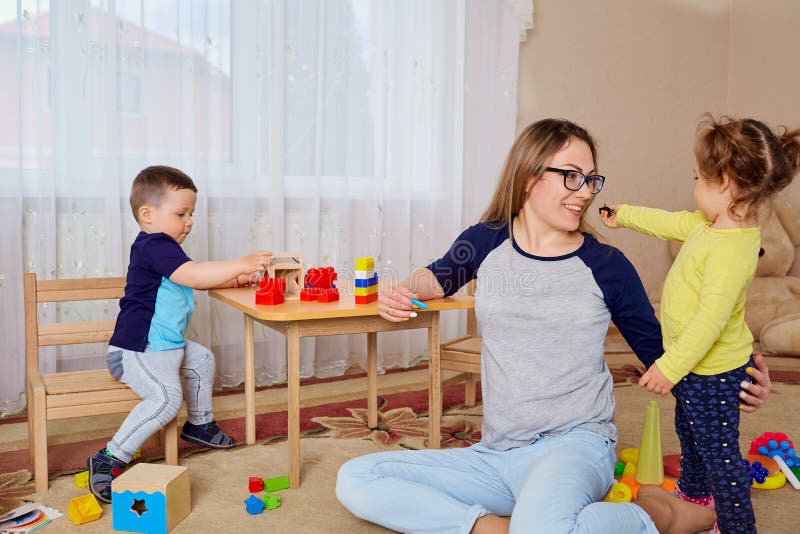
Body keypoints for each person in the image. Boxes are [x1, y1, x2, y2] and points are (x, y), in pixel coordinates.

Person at [335, 118, 773, 534]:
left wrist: (735, 381)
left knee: (542, 526)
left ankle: (656, 514)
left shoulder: (607, 266)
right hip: (496, 455)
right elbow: (435, 278)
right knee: (359, 476)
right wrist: (398, 289)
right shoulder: (486, 240)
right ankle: (497, 527)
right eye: (571, 176)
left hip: (574, 447)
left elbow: (662, 355)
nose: (584, 192)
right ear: (529, 177)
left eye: (591, 179)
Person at [600, 115, 800, 533]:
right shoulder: (709, 226)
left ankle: (735, 526)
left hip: (712, 372)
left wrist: (668, 367)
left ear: (725, 181)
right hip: (696, 371)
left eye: (698, 178)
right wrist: (624, 215)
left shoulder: (731, 250)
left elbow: (709, 322)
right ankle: (694, 500)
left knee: (722, 458)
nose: (694, 188)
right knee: (690, 436)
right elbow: (668, 222)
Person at [87, 165, 273, 503]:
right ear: (147, 214)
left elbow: (194, 278)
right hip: (137, 350)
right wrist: (242, 263)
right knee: (166, 399)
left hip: (165, 346)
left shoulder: (166, 249)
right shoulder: (153, 245)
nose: (189, 221)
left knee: (202, 358)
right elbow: (194, 275)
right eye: (181, 213)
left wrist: (239, 279)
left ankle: (200, 424)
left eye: (192, 214)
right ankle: (110, 456)